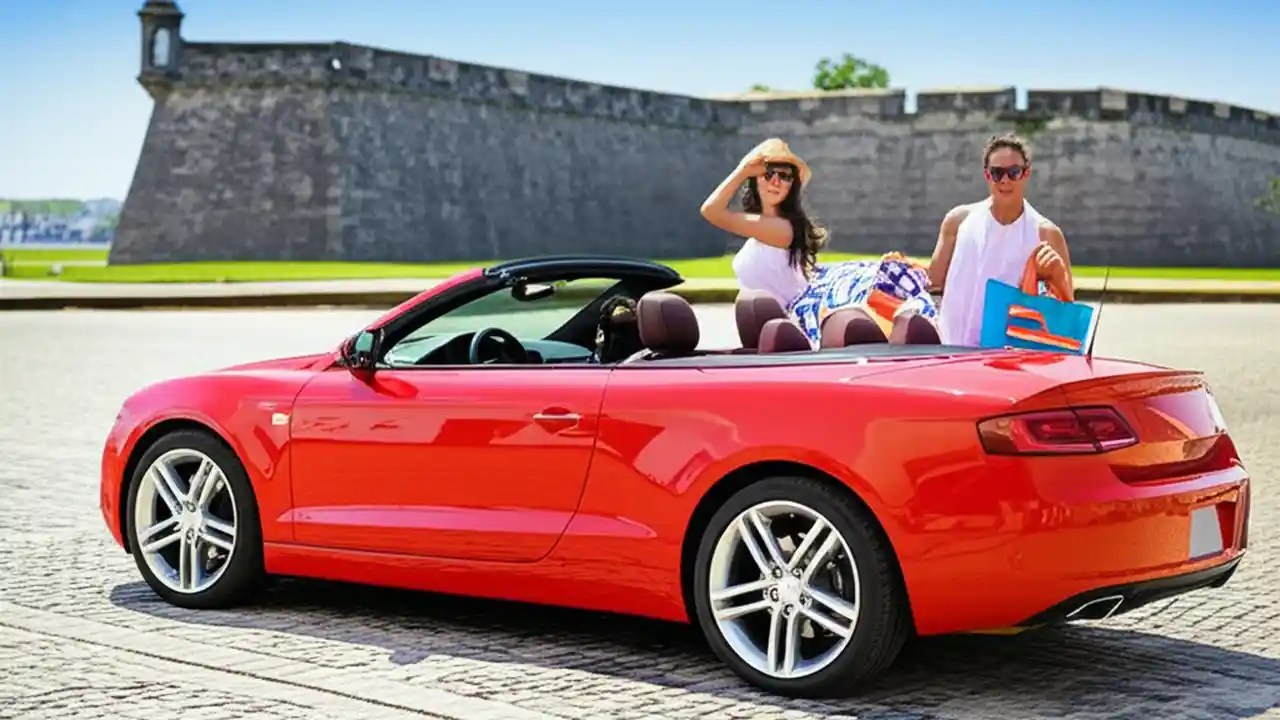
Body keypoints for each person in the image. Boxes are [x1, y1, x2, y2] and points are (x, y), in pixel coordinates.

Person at [700, 137, 938, 346]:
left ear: (792, 185)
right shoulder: (764, 228)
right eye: (768, 174)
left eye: (784, 176)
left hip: (789, 324)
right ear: (757, 179)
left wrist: (742, 170)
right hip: (769, 322)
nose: (775, 181)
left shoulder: (782, 228)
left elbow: (711, 211)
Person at [927, 132, 1074, 347]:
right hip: (952, 350)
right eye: (997, 173)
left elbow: (1067, 309)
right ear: (987, 176)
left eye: (1014, 172)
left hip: (1008, 359)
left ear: (1026, 174)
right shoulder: (957, 222)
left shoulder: (1046, 234)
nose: (1005, 180)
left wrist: (1058, 276)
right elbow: (932, 286)